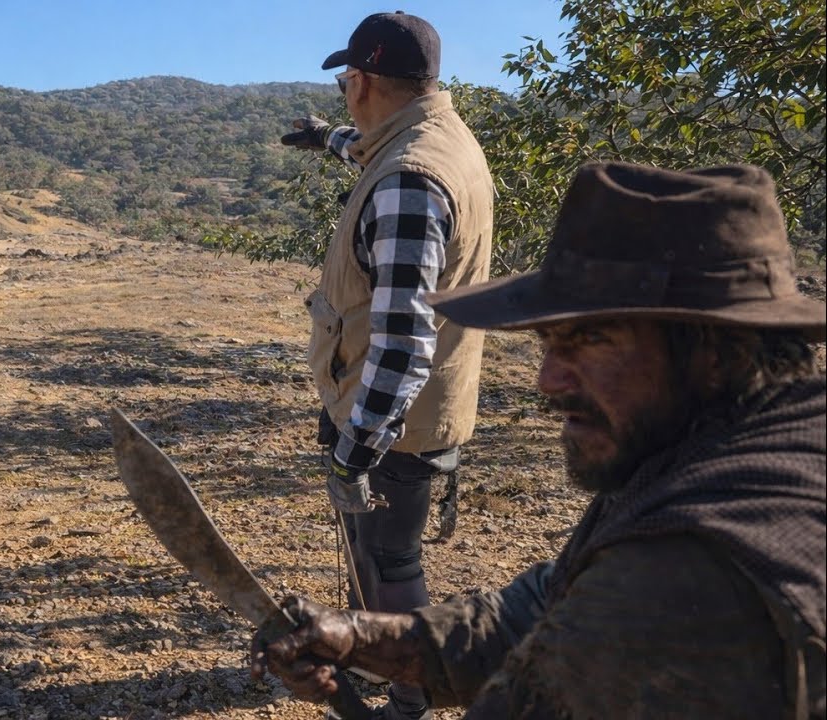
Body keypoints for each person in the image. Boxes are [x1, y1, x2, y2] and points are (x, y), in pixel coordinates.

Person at [251, 161, 827, 718]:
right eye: (548, 342)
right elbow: (546, 605)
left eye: (591, 339)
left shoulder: (683, 573)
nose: (547, 380)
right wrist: (361, 637)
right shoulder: (707, 453)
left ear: (715, 351)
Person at [280, 11, 494, 719]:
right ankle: (400, 673)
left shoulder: (408, 177)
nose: (345, 90)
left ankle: (412, 697)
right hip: (418, 410)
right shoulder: (433, 137)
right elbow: (372, 149)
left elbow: (401, 341)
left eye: (347, 79)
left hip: (394, 424)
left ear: (365, 79)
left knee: (388, 563)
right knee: (383, 557)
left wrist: (353, 452)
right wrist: (326, 139)